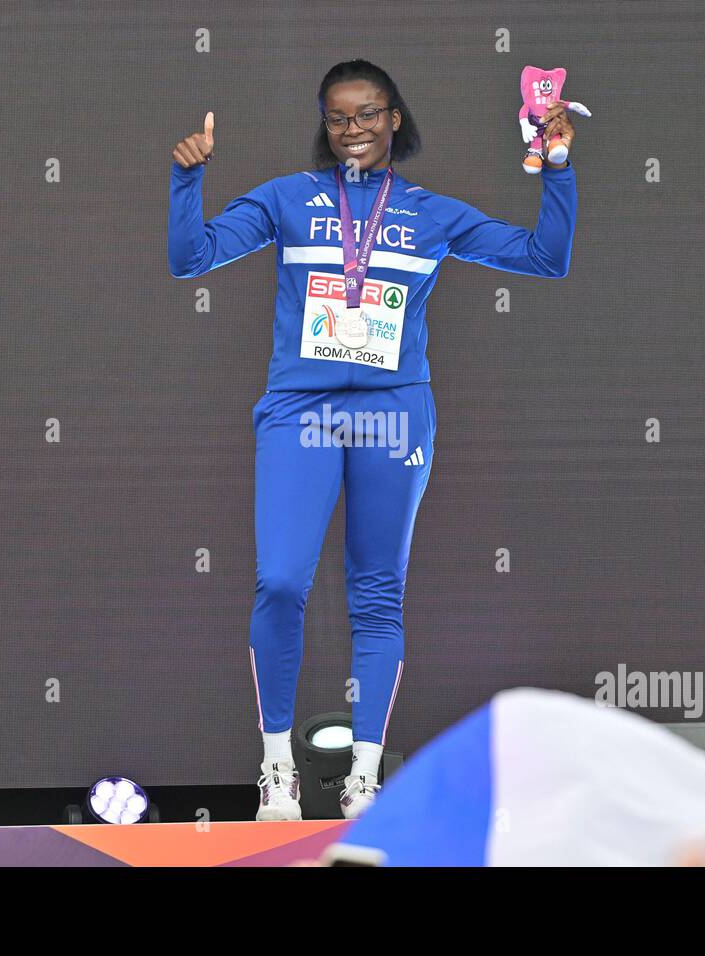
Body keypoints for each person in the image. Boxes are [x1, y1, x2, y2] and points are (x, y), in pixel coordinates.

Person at [168, 60, 578, 821]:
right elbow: (190, 258)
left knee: (377, 590)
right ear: (324, 124)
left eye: (367, 114)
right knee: (280, 581)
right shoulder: (288, 199)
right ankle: (277, 768)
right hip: (303, 410)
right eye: (337, 117)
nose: (352, 129)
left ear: (394, 119)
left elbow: (545, 258)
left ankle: (364, 778)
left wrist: (557, 166)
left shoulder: (431, 213)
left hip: (394, 413)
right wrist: (186, 178)